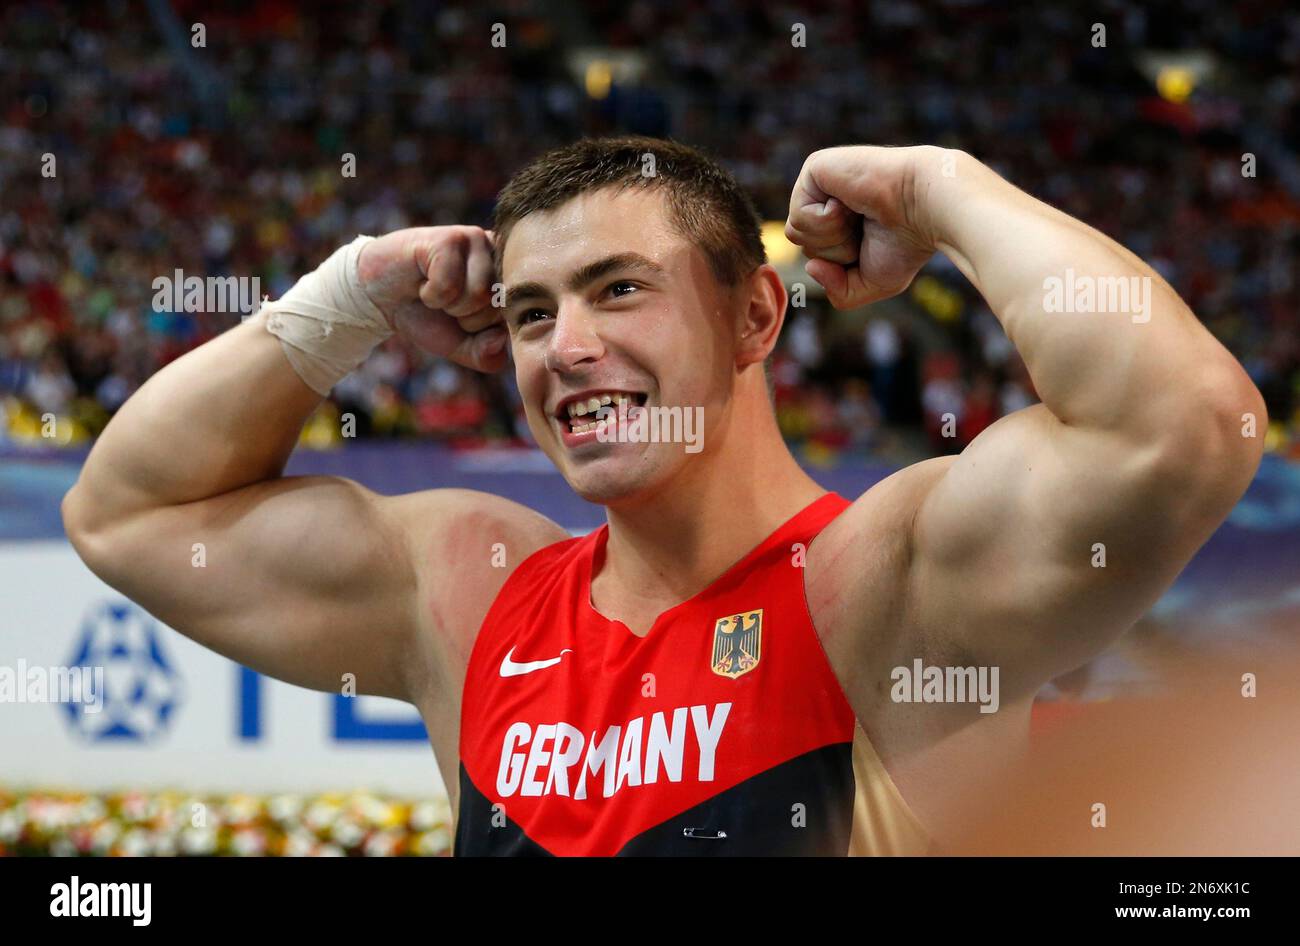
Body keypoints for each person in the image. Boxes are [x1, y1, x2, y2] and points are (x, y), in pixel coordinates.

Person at [62, 136, 1265, 855]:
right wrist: (352, 292)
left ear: (755, 315)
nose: (563, 347)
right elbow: (132, 512)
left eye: (617, 289)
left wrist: (939, 187)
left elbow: (1185, 423)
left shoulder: (888, 586)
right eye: (531, 311)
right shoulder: (476, 592)